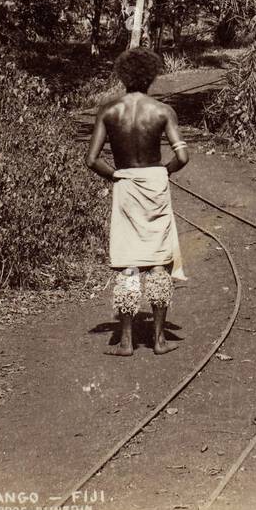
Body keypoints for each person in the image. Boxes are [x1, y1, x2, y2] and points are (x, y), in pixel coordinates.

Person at [85, 48, 189, 356]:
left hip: (125, 186)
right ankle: (159, 340)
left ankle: (126, 342)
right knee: (158, 261)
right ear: (152, 76)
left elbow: (91, 160)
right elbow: (182, 156)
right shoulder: (162, 111)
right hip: (155, 184)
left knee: (128, 262)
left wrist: (118, 177)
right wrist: (162, 173)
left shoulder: (108, 109)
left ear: (122, 75)